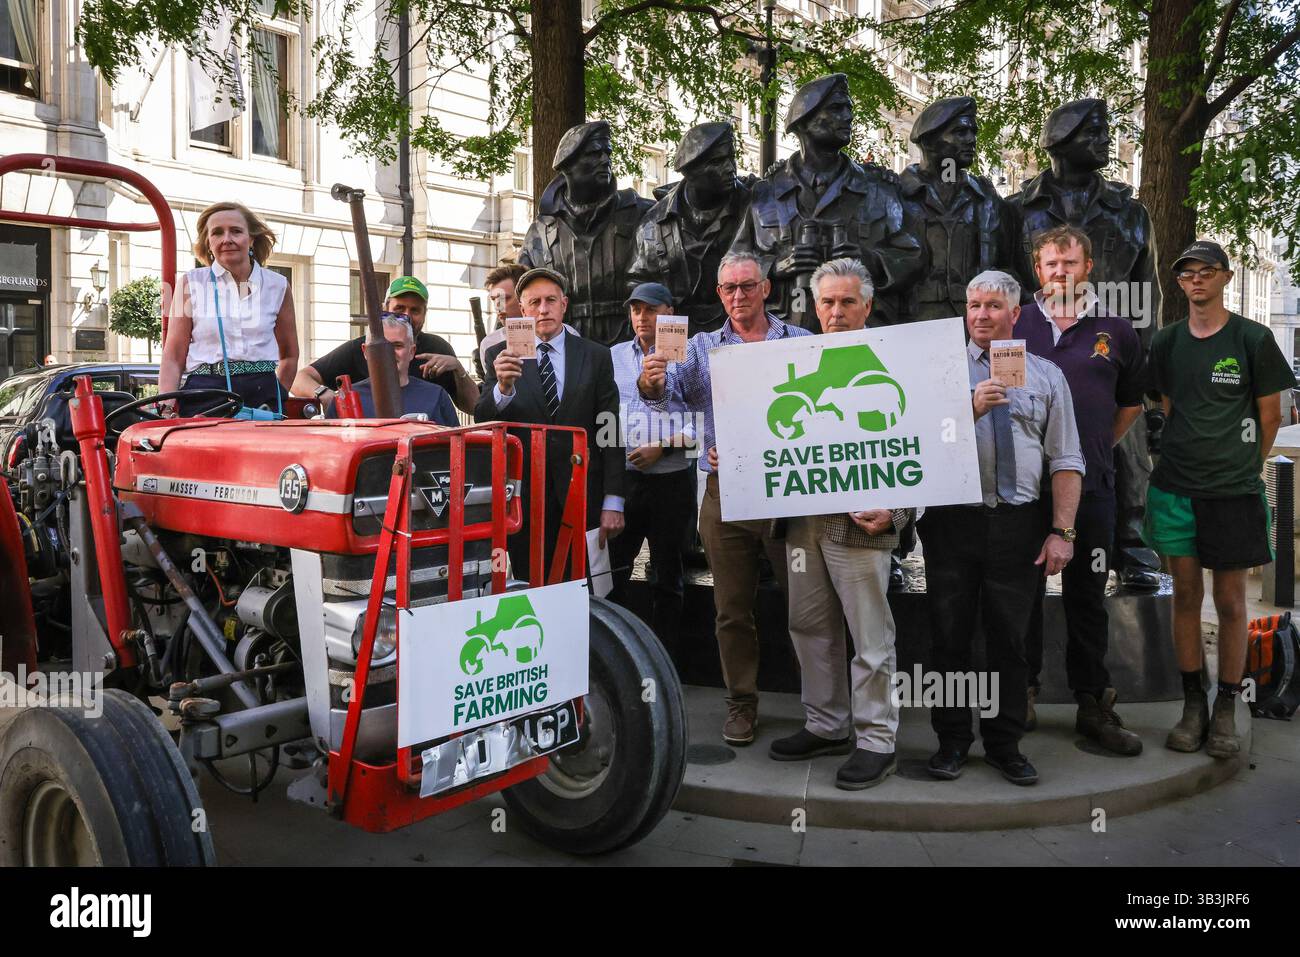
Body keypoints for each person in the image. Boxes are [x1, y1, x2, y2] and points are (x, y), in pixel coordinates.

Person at [638, 251, 812, 745]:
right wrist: (648, 382)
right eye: (729, 288)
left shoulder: (798, 342)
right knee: (731, 608)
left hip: (788, 490)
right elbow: (668, 391)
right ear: (719, 295)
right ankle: (741, 703)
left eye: (747, 286)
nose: (739, 296)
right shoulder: (700, 347)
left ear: (766, 289)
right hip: (726, 492)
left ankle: (821, 708)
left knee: (806, 605)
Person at [920, 269, 1084, 786]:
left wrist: (1063, 531)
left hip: (1020, 524)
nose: (982, 315)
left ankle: (1004, 744)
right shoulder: (939, 372)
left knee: (1010, 640)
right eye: (974, 306)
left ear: (1016, 314)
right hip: (953, 522)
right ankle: (950, 741)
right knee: (949, 637)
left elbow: (1066, 458)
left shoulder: (1045, 375)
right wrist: (967, 409)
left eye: (994, 306)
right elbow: (917, 445)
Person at [1144, 240, 1297, 759]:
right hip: (1177, 488)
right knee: (1185, 597)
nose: (1196, 280)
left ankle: (1227, 705)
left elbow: (1271, 414)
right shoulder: (1166, 343)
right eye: (1187, 273)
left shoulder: (1252, 338)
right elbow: (1168, 405)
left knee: (1231, 602)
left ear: (1226, 277)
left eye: (1206, 271)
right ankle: (1193, 705)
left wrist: (1245, 465)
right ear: (1181, 283)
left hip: (1232, 493)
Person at [767, 258, 912, 790]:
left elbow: (919, 448)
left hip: (862, 524)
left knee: (870, 635)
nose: (835, 311)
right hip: (802, 522)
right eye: (826, 301)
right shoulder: (796, 359)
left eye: (847, 301)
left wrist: (896, 512)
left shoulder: (896, 360)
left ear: (867, 306)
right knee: (808, 626)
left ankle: (877, 740)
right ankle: (827, 724)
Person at [1007, 98, 1161, 590]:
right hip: (1035, 335)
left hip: (1109, 341)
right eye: (1092, 132)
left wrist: (1141, 363)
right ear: (1059, 140)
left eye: (1105, 131)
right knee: (1019, 432)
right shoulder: (1016, 210)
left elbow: (1147, 291)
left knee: (1129, 445)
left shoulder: (1131, 213)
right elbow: (1001, 282)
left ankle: (1131, 541)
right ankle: (1025, 527)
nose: (1104, 141)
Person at [1014, 225, 1145, 754]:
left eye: (1070, 263)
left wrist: (1088, 451)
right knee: (1021, 596)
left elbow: (1131, 404)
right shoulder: (1016, 324)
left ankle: (1092, 702)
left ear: (1088, 266)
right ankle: (1020, 692)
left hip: (1092, 490)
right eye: (1050, 264)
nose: (1060, 272)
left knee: (1087, 598)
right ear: (1037, 271)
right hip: (1025, 490)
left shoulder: (1116, 329)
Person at [730, 73, 922, 328]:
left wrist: (869, 259)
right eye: (836, 109)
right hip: (783, 335)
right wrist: (775, 266)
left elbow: (912, 256)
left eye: (848, 109)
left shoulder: (878, 189)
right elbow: (733, 263)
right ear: (804, 121)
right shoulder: (766, 194)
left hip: (860, 334)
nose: (848, 117)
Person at [475, 267, 625, 582]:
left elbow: (609, 428)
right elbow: (483, 417)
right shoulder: (501, 355)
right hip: (526, 499)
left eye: (550, 300)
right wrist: (503, 388)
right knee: (534, 588)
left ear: (564, 305)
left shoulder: (595, 356)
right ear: (523, 309)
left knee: (588, 588)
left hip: (583, 493)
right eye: (534, 303)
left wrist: (614, 499)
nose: (543, 309)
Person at [608, 282, 698, 653]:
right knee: (614, 572)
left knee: (668, 576)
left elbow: (706, 420)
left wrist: (663, 446)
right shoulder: (614, 356)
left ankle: (666, 658)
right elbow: (605, 414)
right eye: (636, 310)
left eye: (651, 309)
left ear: (669, 313)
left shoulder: (691, 354)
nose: (642, 317)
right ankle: (618, 653)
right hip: (627, 481)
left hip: (672, 480)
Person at [517, 121, 653, 346]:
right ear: (568, 165)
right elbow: (521, 297)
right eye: (594, 153)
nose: (605, 160)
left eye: (607, 152)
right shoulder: (540, 232)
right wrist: (505, 346)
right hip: (567, 355)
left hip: (631, 352)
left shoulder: (640, 214)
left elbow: (666, 291)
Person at [159, 202, 298, 414]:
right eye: (217, 233)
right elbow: (173, 357)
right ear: (208, 242)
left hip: (263, 394)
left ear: (251, 238)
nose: (227, 239)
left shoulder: (278, 285)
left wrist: (278, 393)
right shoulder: (190, 283)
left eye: (236, 231)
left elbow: (289, 355)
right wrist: (165, 407)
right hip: (205, 393)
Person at [628, 121, 754, 337]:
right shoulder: (653, 225)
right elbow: (637, 281)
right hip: (676, 337)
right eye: (717, 161)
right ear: (691, 171)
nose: (730, 168)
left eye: (731, 157)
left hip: (739, 335)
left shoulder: (754, 209)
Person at [293, 276, 479, 414]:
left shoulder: (438, 348)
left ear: (413, 351)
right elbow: (298, 378)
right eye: (399, 308)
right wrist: (324, 395)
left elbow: (473, 408)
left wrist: (458, 369)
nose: (406, 316)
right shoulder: (359, 347)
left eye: (415, 310)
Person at [325, 313, 458, 425]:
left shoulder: (436, 396)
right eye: (380, 347)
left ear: (412, 352)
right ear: (365, 351)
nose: (388, 353)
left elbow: (458, 448)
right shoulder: (343, 400)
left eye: (397, 346)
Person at [478, 263, 528, 373]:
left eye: (505, 298)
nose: (498, 306)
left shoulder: (563, 334)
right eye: (494, 299)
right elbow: (492, 388)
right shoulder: (489, 344)